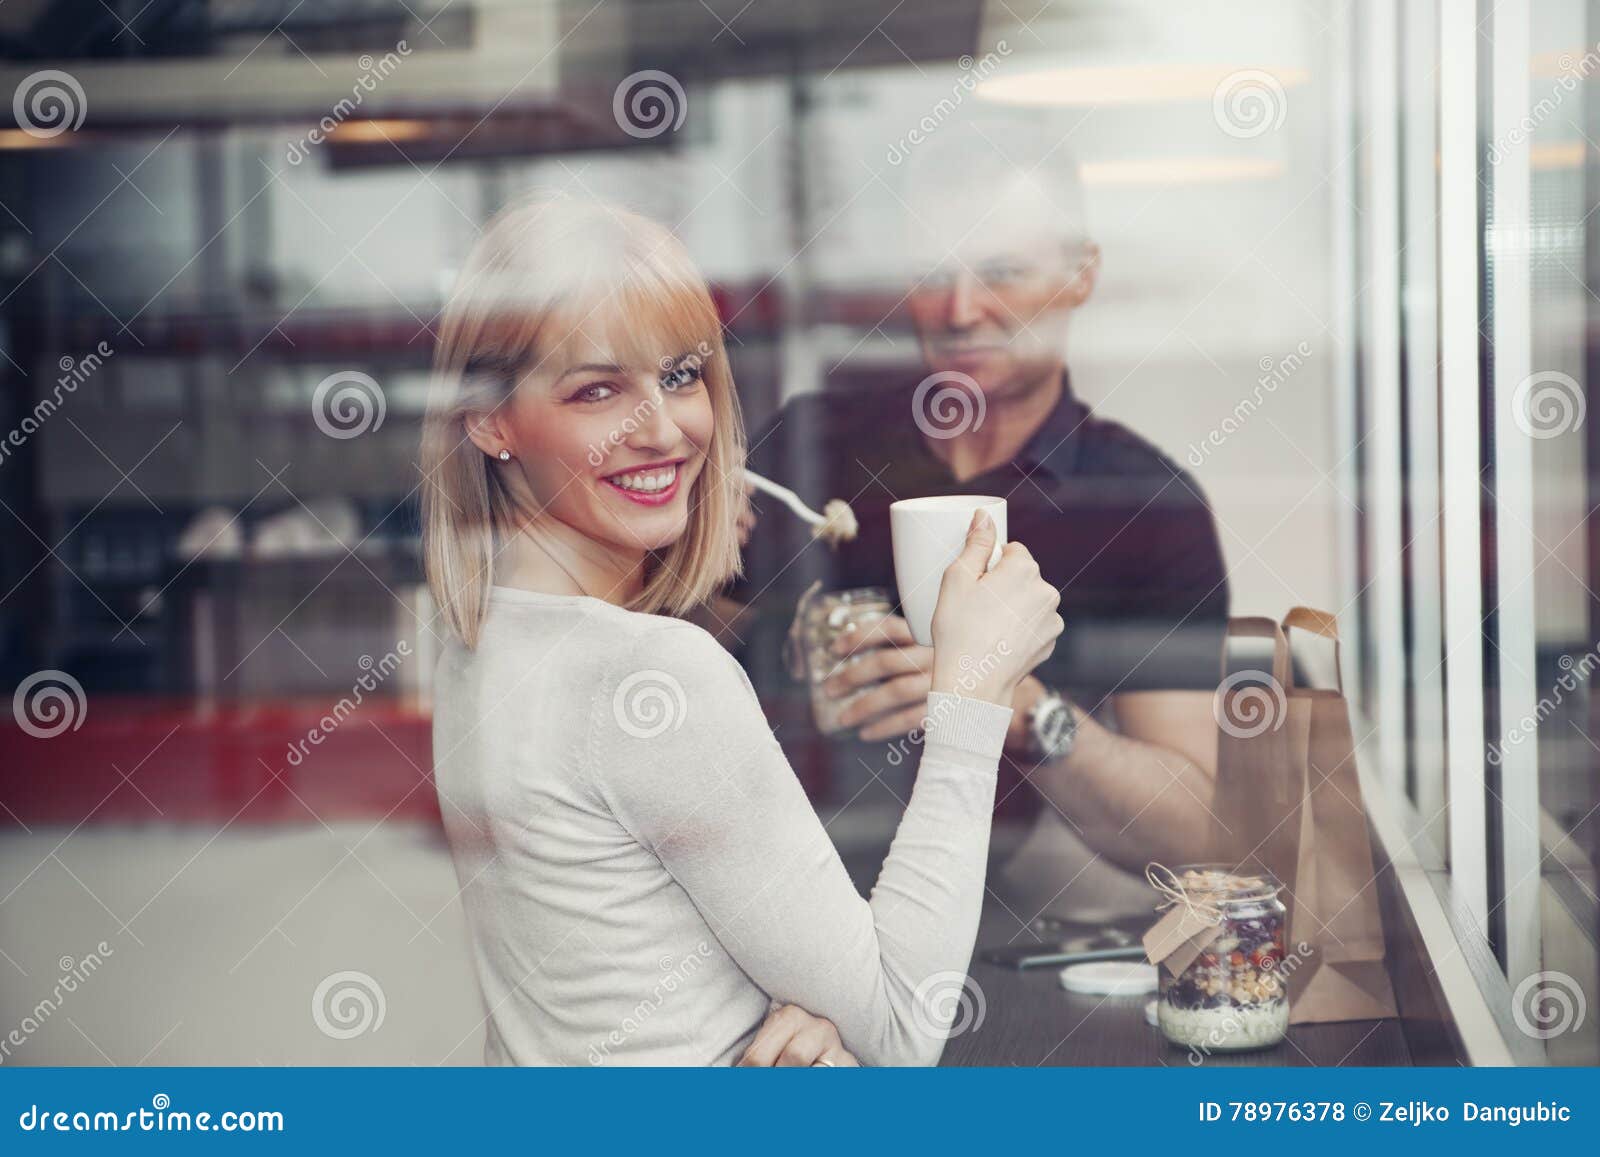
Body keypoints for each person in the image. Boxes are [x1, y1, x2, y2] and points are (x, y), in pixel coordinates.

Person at [422, 194, 1062, 1066]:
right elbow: (907, 1029)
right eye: (598, 389)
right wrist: (974, 693)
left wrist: (783, 1002)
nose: (664, 429)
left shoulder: (480, 636)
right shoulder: (651, 674)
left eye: (681, 376)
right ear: (492, 421)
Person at [732, 121, 1229, 921]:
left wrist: (1020, 707)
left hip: (1029, 938)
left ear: (1080, 276)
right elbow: (669, 628)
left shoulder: (1145, 504)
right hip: (792, 925)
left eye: (1001, 273)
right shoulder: (810, 447)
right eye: (936, 273)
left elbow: (1192, 830)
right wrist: (783, 641)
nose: (962, 309)